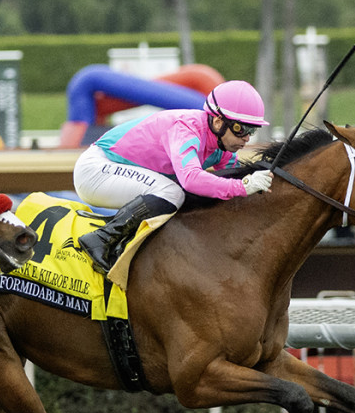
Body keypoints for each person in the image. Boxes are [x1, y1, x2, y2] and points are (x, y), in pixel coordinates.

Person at [72, 79, 275, 273]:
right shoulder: (186, 128)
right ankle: (101, 239)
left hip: (115, 170)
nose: (247, 138)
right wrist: (243, 187)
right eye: (241, 129)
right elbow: (192, 179)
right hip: (97, 169)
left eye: (252, 130)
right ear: (218, 121)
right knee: (172, 192)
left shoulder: (222, 146)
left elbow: (234, 178)